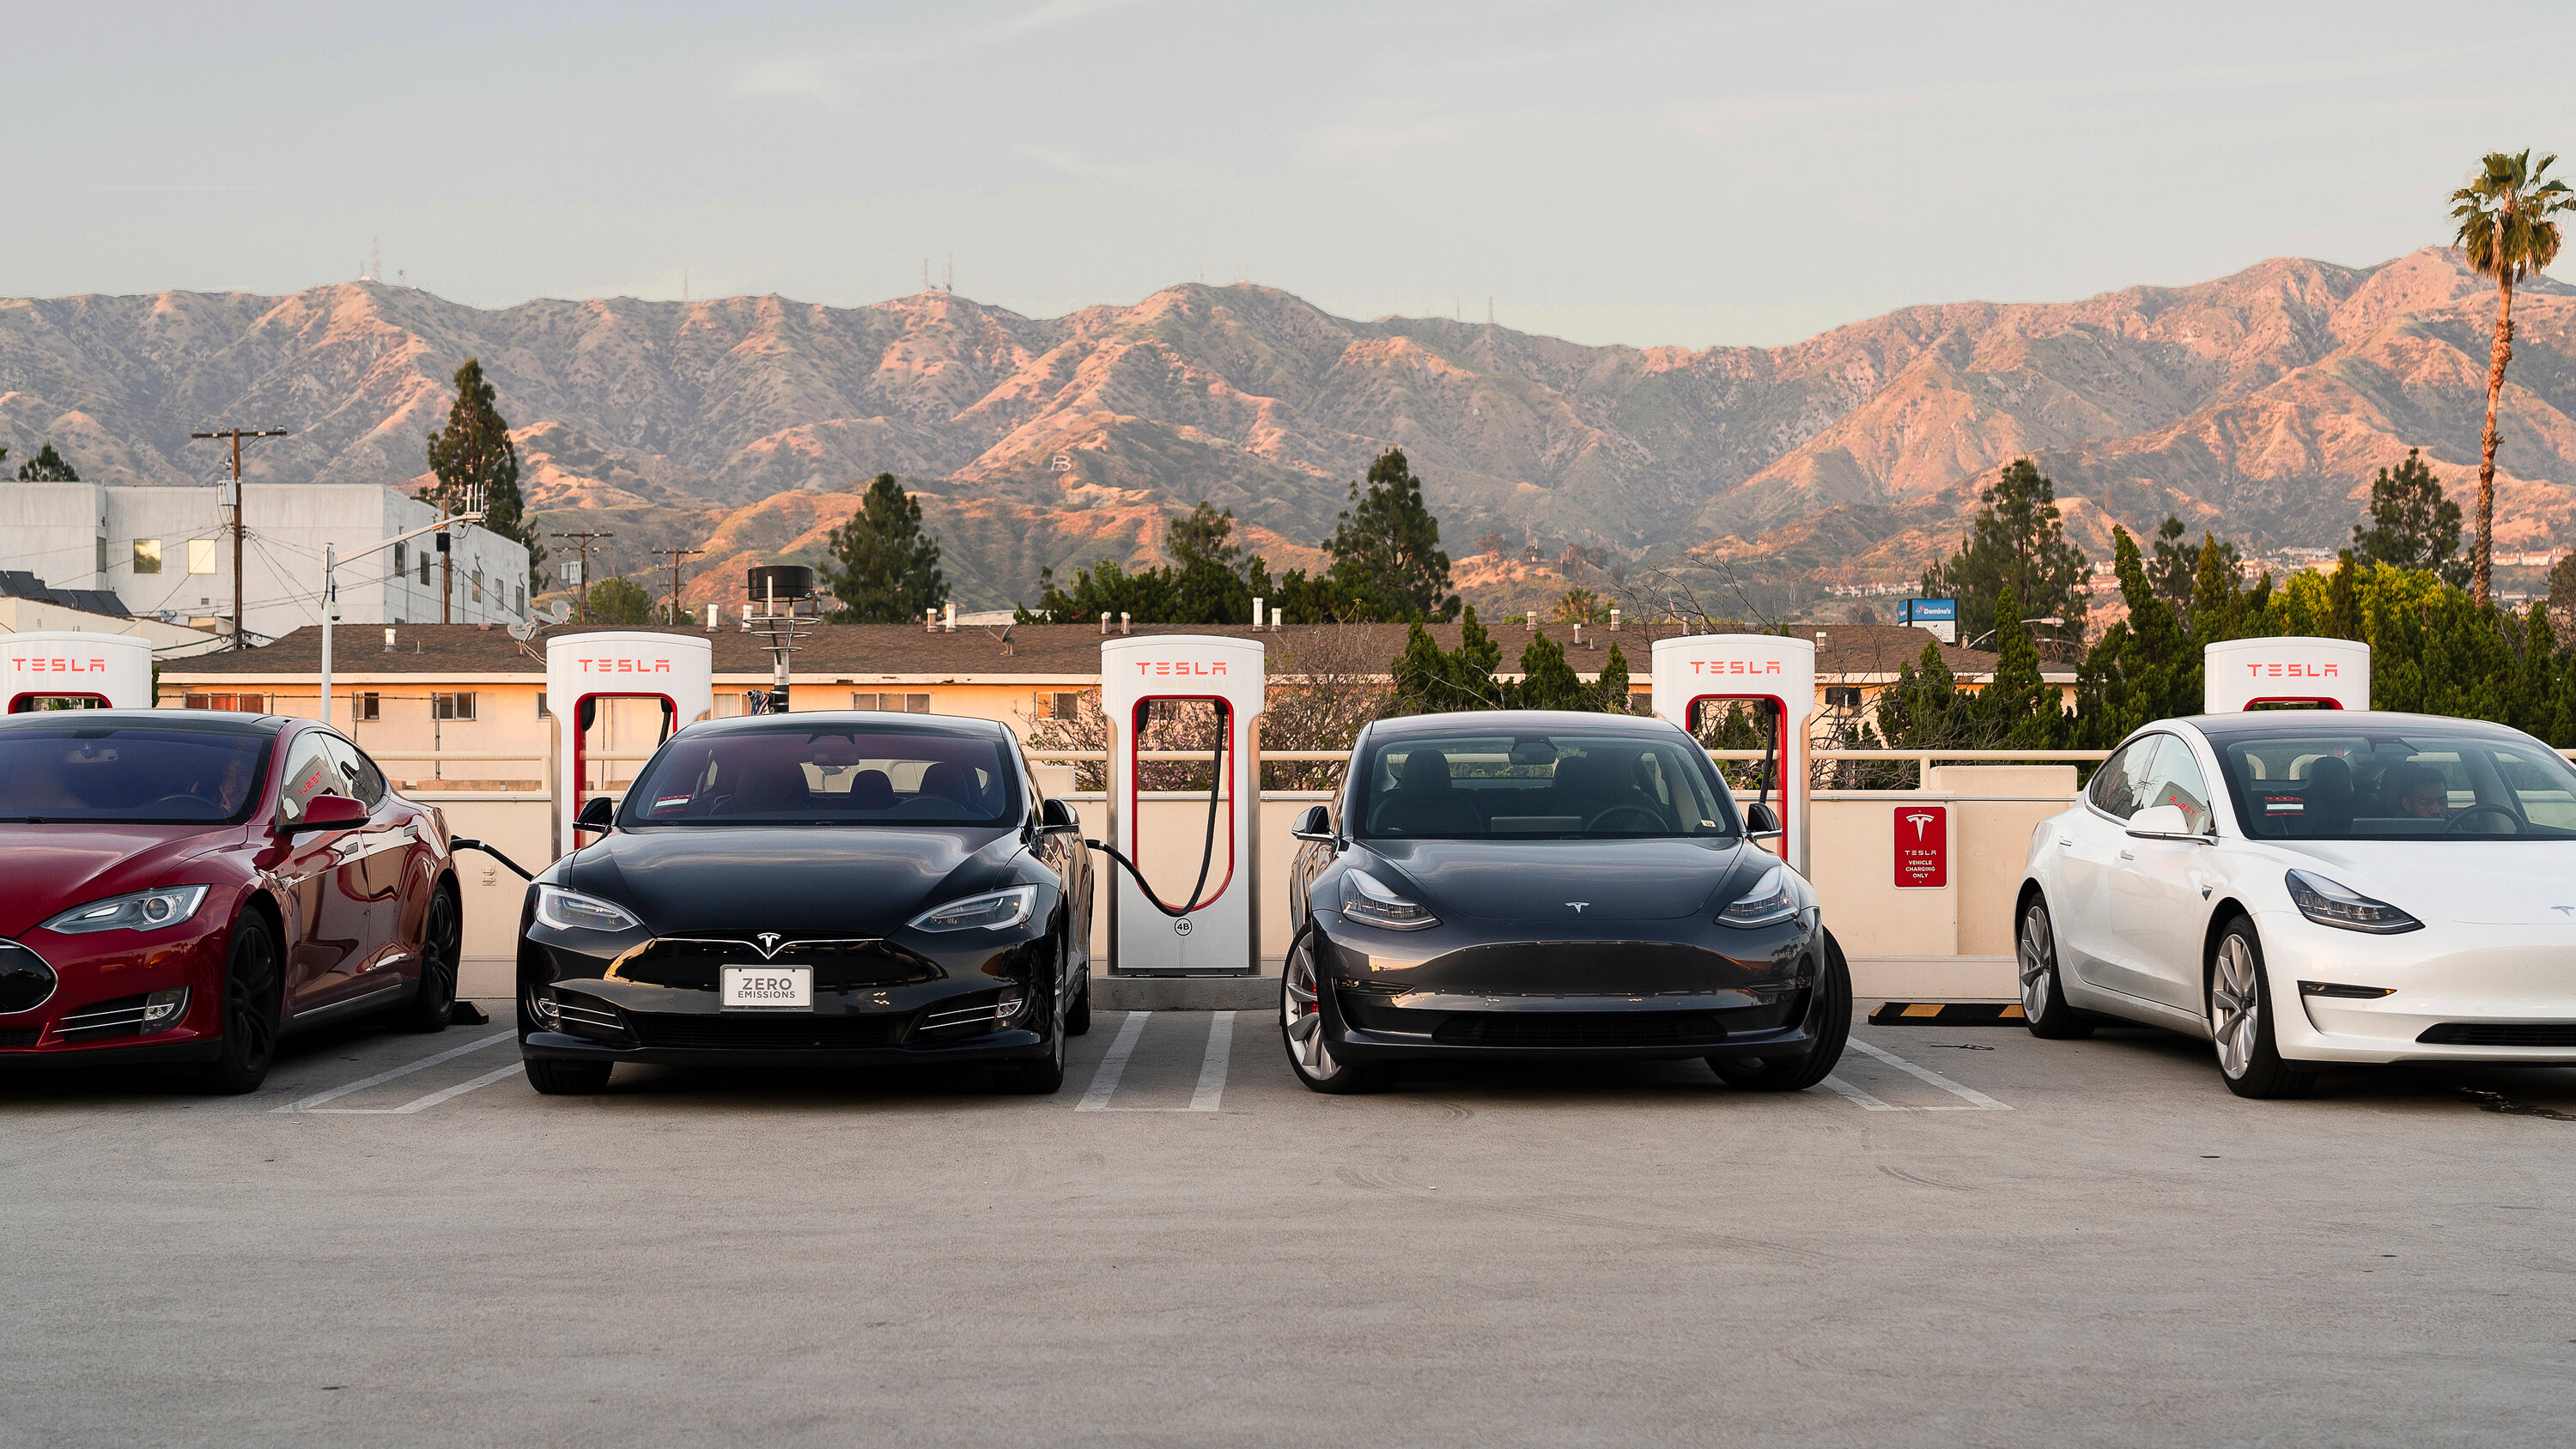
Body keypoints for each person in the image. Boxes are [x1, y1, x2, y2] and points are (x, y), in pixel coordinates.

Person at [2381, 762, 2448, 820]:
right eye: (2425, 802)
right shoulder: (2393, 831)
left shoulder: (2456, 822)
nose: (2436, 810)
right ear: (2407, 804)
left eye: (2442, 802)